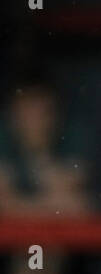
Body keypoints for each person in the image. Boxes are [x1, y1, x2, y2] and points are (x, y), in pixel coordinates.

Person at [0, 76, 91, 218]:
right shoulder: (4, 138)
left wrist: (39, 151)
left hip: (55, 235)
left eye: (42, 112)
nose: (34, 119)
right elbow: (3, 200)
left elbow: (74, 202)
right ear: (14, 115)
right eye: (27, 111)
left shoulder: (71, 136)